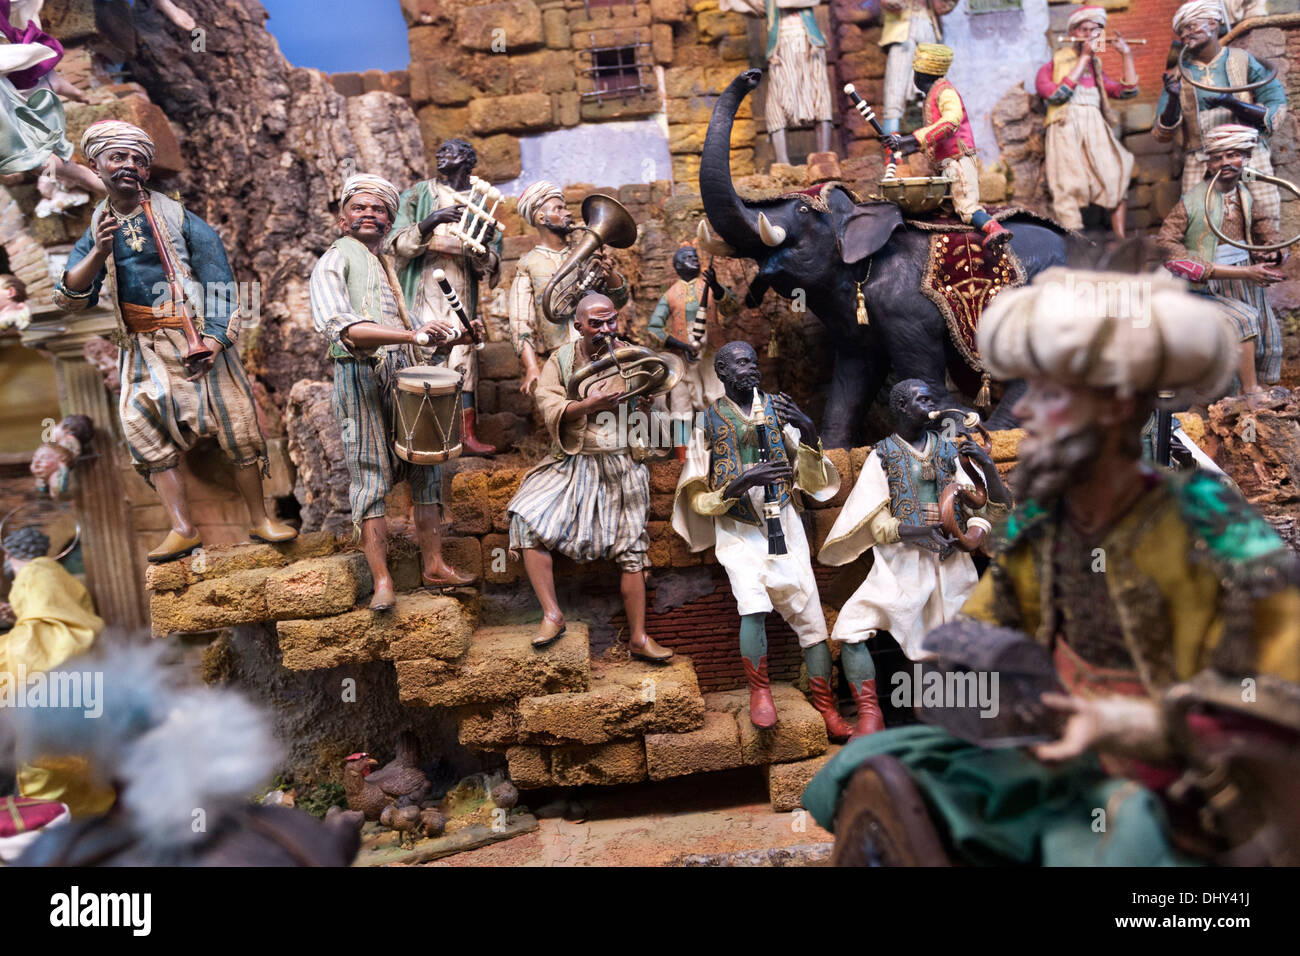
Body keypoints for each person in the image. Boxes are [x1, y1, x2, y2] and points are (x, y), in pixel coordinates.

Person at [804, 267, 1300, 866]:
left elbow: (1277, 689)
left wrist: (1141, 723)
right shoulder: (1051, 520)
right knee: (871, 766)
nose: (1029, 415)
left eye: (1054, 395)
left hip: (1175, 769)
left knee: (1120, 839)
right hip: (1055, 747)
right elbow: (988, 628)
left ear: (1119, 405)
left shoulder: (1209, 520)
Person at [52, 121, 297, 563]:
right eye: (118, 158)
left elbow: (220, 281)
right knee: (139, 428)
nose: (128, 166)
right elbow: (72, 296)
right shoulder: (98, 225)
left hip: (194, 339)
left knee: (237, 423)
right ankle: (182, 528)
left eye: (137, 160)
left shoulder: (179, 217)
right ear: (97, 165)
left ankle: (260, 518)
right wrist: (97, 253)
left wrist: (215, 340)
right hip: (141, 347)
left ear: (146, 170)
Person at [309, 174, 473, 612]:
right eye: (359, 208)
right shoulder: (333, 260)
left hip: (398, 371)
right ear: (343, 219)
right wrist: (410, 335)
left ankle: (434, 564)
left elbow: (411, 334)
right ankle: (383, 580)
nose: (369, 214)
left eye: (378, 209)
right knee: (370, 475)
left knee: (426, 467)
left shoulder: (386, 266)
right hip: (358, 374)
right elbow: (341, 328)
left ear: (388, 221)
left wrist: (447, 339)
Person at [673, 341, 852, 739]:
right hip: (738, 531)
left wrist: (806, 427)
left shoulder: (777, 407)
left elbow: (813, 480)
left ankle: (827, 707)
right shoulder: (707, 421)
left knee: (811, 616)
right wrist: (739, 484)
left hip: (784, 525)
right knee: (751, 604)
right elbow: (697, 498)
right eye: (740, 362)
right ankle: (761, 694)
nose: (750, 367)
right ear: (720, 371)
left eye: (753, 360)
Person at [819, 379, 1010, 735]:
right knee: (851, 626)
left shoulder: (950, 450)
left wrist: (988, 471)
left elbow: (987, 506)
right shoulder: (883, 455)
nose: (932, 404)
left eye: (931, 398)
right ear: (902, 407)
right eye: (922, 399)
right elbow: (877, 525)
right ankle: (870, 717)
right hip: (901, 566)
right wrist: (918, 531)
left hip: (952, 564)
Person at [506, 292, 674, 662]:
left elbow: (659, 421)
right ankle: (552, 613)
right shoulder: (561, 360)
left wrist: (648, 406)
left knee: (632, 548)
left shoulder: (633, 356)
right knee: (523, 518)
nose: (605, 330)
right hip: (574, 460)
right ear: (578, 325)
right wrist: (587, 406)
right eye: (595, 324)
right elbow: (547, 402)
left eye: (610, 321)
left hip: (621, 463)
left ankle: (638, 637)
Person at [1157, 123, 1288, 402]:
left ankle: (1257, 395)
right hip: (1209, 288)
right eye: (1217, 157)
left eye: (1232, 155)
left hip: (1248, 284)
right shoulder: (1192, 202)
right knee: (1241, 322)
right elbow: (1166, 244)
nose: (1225, 162)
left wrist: (1273, 252)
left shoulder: (1245, 195)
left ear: (1245, 157)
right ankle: (1238, 394)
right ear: (1209, 162)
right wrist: (1197, 267)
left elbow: (1265, 229)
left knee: (1265, 331)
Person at [388, 138, 501, 456]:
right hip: (424, 288)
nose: (440, 156)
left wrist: (484, 244)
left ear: (467, 159)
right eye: (438, 152)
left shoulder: (483, 200)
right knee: (423, 350)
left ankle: (465, 436)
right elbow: (397, 244)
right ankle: (420, 432)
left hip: (461, 289)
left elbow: (490, 262)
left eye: (449, 152)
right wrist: (432, 220)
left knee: (463, 357)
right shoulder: (417, 195)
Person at [0, 525, 114, 817]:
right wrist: (19, 615)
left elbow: (54, 633)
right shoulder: (52, 572)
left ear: (11, 554)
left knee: (49, 755)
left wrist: (6, 646)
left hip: (53, 678)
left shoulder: (35, 573)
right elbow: (53, 614)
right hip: (78, 677)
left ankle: (54, 820)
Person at [1155, 0, 1287, 233]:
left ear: (1213, 23)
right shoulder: (1180, 74)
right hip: (1203, 159)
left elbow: (1274, 98)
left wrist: (1233, 104)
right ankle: (1214, 263)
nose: (1186, 34)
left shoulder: (1241, 59)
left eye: (1191, 26)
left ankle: (1268, 253)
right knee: (1197, 214)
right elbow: (1161, 132)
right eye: (1182, 30)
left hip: (1247, 156)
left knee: (1264, 205)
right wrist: (1173, 98)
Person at [883, 44, 1012, 251]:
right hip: (945, 168)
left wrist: (910, 140)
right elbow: (933, 137)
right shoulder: (934, 94)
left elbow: (951, 122)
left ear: (920, 74)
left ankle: (994, 229)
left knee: (967, 208)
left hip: (957, 163)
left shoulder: (946, 92)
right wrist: (904, 147)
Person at [508, 180, 629, 398]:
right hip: (559, 357)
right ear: (540, 218)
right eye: (559, 208)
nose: (567, 212)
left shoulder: (588, 253)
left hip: (600, 351)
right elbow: (519, 324)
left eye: (565, 207)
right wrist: (532, 367)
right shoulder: (527, 264)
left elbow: (618, 302)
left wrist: (609, 274)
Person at [1034, 6, 1138, 236]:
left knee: (1116, 173)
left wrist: (1126, 55)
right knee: (1068, 183)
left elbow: (1127, 92)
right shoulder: (1057, 63)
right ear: (1073, 32)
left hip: (1095, 128)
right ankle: (1076, 243)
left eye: (1096, 30)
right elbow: (1055, 94)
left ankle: (1121, 242)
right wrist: (1084, 58)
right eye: (1085, 29)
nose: (1091, 34)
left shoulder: (1096, 67)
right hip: (1065, 127)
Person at [646, 245, 737, 460]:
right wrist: (681, 345)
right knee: (680, 409)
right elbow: (654, 328)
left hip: (710, 356)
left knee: (716, 400)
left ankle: (723, 454)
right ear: (677, 265)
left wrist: (716, 285)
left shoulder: (711, 286)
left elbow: (731, 308)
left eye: (695, 257)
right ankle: (682, 460)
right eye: (687, 258)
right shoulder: (670, 294)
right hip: (682, 361)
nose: (694, 260)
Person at [719, 0, 835, 165]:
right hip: (781, 48)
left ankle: (824, 157)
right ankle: (782, 162)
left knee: (819, 91)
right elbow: (754, 6)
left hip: (809, 43)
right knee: (776, 100)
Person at [878, 0, 957, 135]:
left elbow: (943, 6)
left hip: (927, 27)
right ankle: (891, 147)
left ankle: (932, 139)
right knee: (895, 89)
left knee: (932, 88)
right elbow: (891, 3)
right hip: (903, 32)